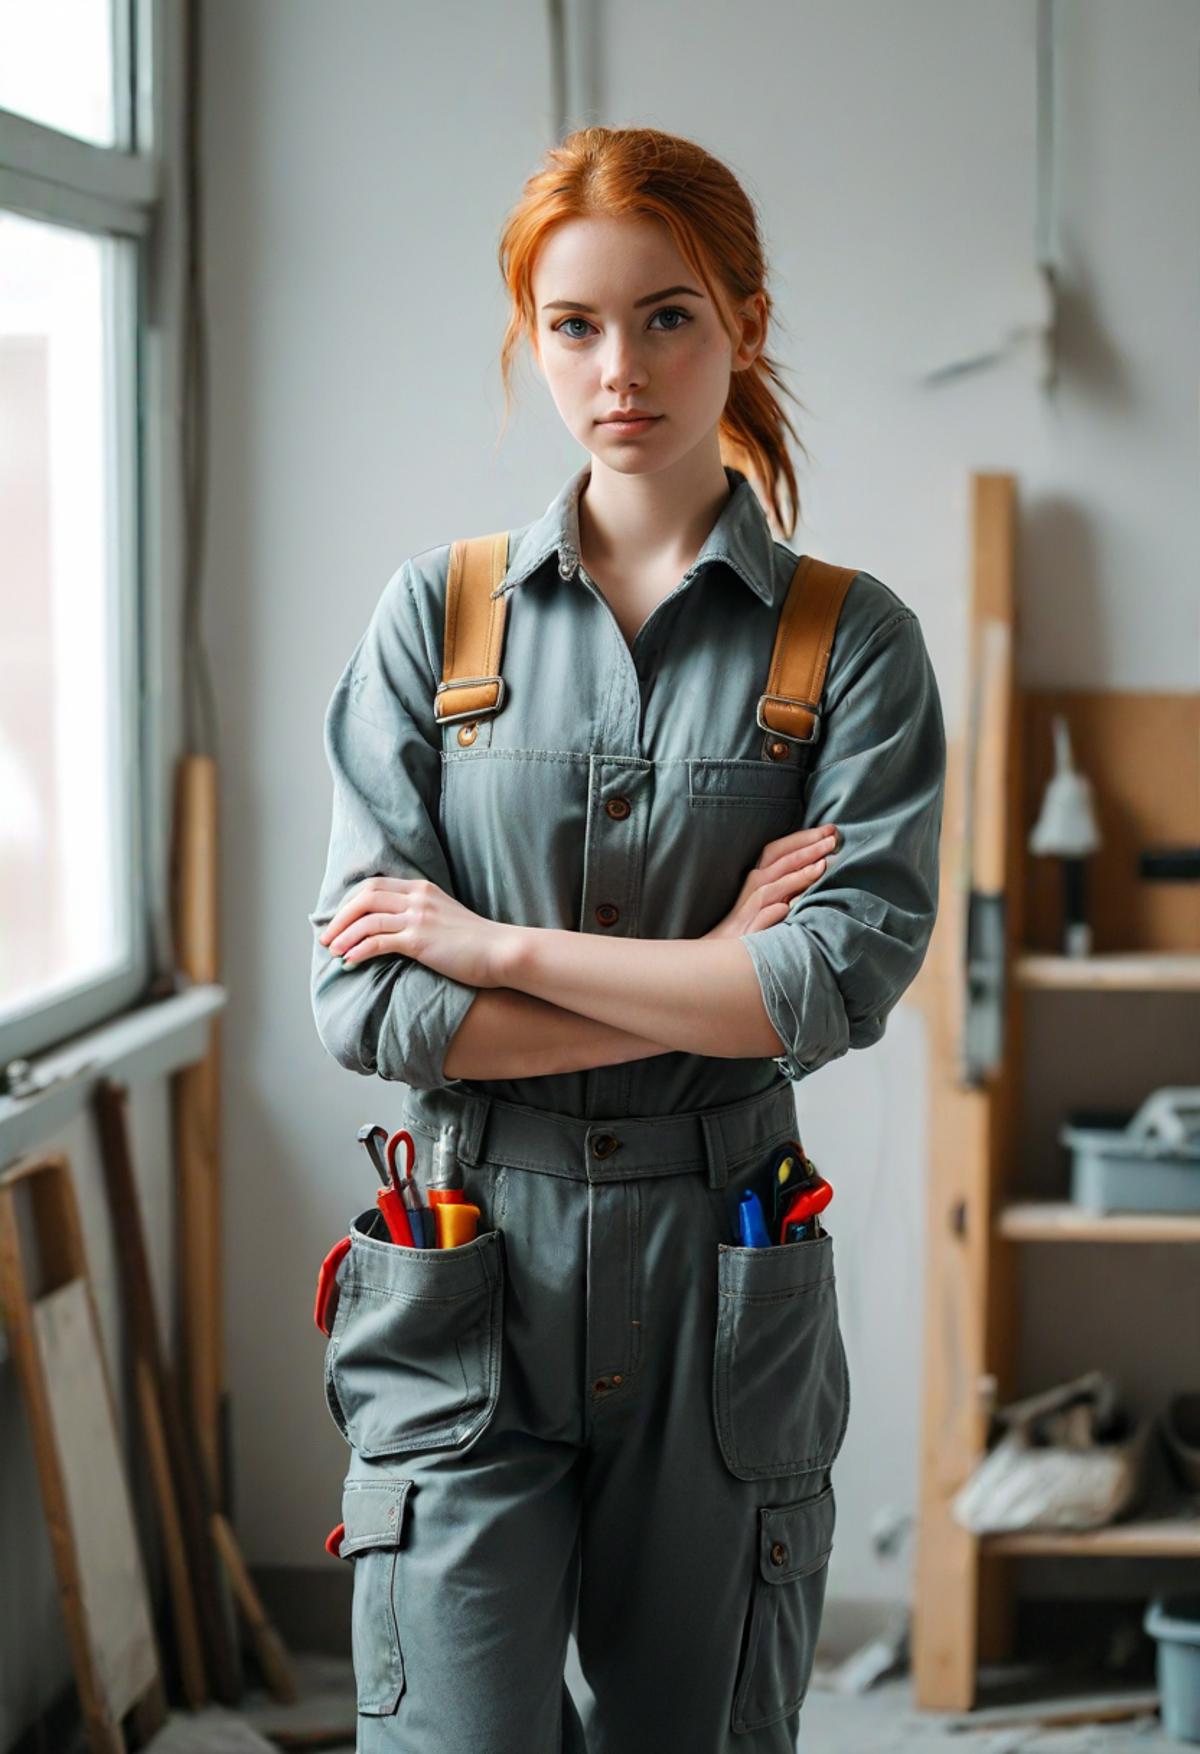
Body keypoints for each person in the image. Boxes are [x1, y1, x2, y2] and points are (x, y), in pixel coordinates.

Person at [308, 124, 946, 1754]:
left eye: (666, 316)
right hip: (469, 1265)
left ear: (742, 317)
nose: (620, 368)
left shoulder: (850, 644)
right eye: (574, 323)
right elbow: (370, 1003)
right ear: (532, 334)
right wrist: (704, 981)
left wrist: (493, 946)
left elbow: (825, 985)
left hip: (720, 1271)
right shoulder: (432, 621)